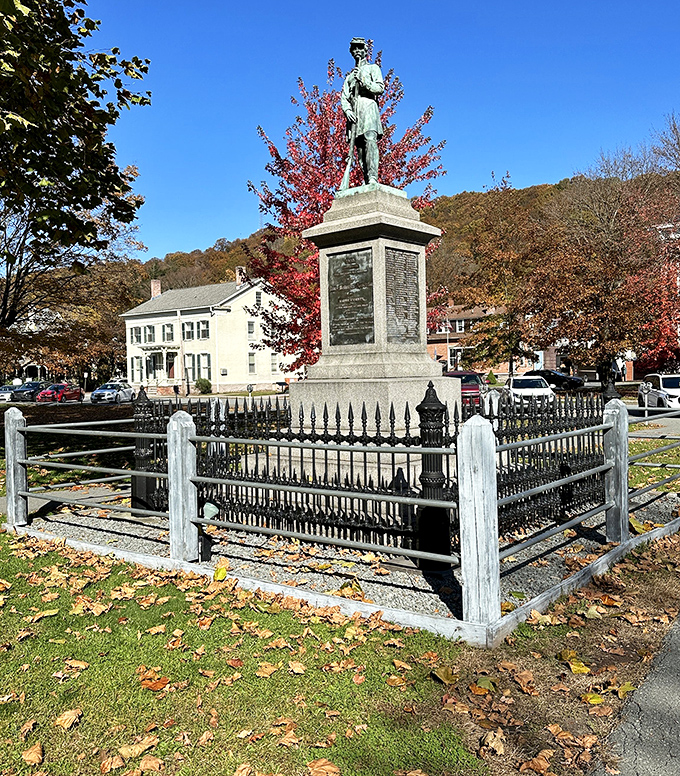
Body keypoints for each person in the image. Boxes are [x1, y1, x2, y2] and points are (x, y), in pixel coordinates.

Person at [340, 37, 384, 186]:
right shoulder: (349, 77)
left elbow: (379, 88)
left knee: (370, 141)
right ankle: (366, 180)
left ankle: (373, 178)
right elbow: (344, 97)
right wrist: (347, 110)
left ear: (365, 51)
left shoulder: (373, 68)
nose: (357, 51)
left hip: (368, 107)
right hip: (355, 114)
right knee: (359, 150)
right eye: (354, 48)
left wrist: (364, 81)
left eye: (360, 48)